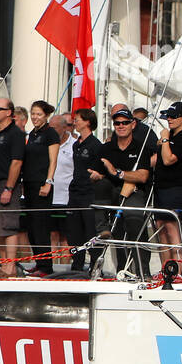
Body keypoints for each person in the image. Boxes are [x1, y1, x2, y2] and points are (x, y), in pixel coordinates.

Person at [99, 108, 154, 277]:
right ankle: (121, 271)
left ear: (133, 124)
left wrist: (117, 173)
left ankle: (143, 272)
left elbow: (143, 176)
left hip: (134, 191)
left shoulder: (141, 147)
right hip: (111, 193)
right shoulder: (106, 148)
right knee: (115, 230)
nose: (121, 126)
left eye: (125, 122)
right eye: (117, 123)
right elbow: (96, 171)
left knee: (134, 222)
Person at [152, 102, 182, 271]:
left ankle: (177, 271)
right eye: (168, 116)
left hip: (176, 187)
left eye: (173, 116)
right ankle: (166, 270)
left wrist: (164, 139)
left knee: (172, 228)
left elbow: (168, 159)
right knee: (161, 228)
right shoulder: (172, 135)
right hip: (161, 187)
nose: (169, 119)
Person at [0, 98, 27, 277]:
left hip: (6, 184)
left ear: (9, 112)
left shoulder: (15, 133)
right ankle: (4, 264)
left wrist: (9, 188)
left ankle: (11, 266)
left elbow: (16, 162)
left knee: (8, 225)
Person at [22, 100, 60, 276]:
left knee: (41, 227)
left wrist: (48, 182)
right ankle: (38, 261)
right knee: (31, 227)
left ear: (46, 116)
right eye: (33, 114)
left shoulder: (50, 133)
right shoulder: (32, 134)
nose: (35, 117)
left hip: (42, 184)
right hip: (29, 184)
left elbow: (53, 160)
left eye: (38, 114)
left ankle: (46, 266)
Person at [67, 108, 103, 275]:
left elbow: (101, 169)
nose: (75, 122)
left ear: (87, 122)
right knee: (74, 231)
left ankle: (95, 266)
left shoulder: (96, 145)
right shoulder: (76, 144)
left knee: (90, 230)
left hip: (89, 193)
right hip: (75, 192)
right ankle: (77, 264)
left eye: (78, 119)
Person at [48, 112, 73, 260]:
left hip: (67, 198)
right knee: (52, 235)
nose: (51, 131)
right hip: (50, 197)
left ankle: (65, 268)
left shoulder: (74, 145)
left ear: (64, 128)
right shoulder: (47, 143)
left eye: (54, 128)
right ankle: (51, 267)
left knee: (65, 237)